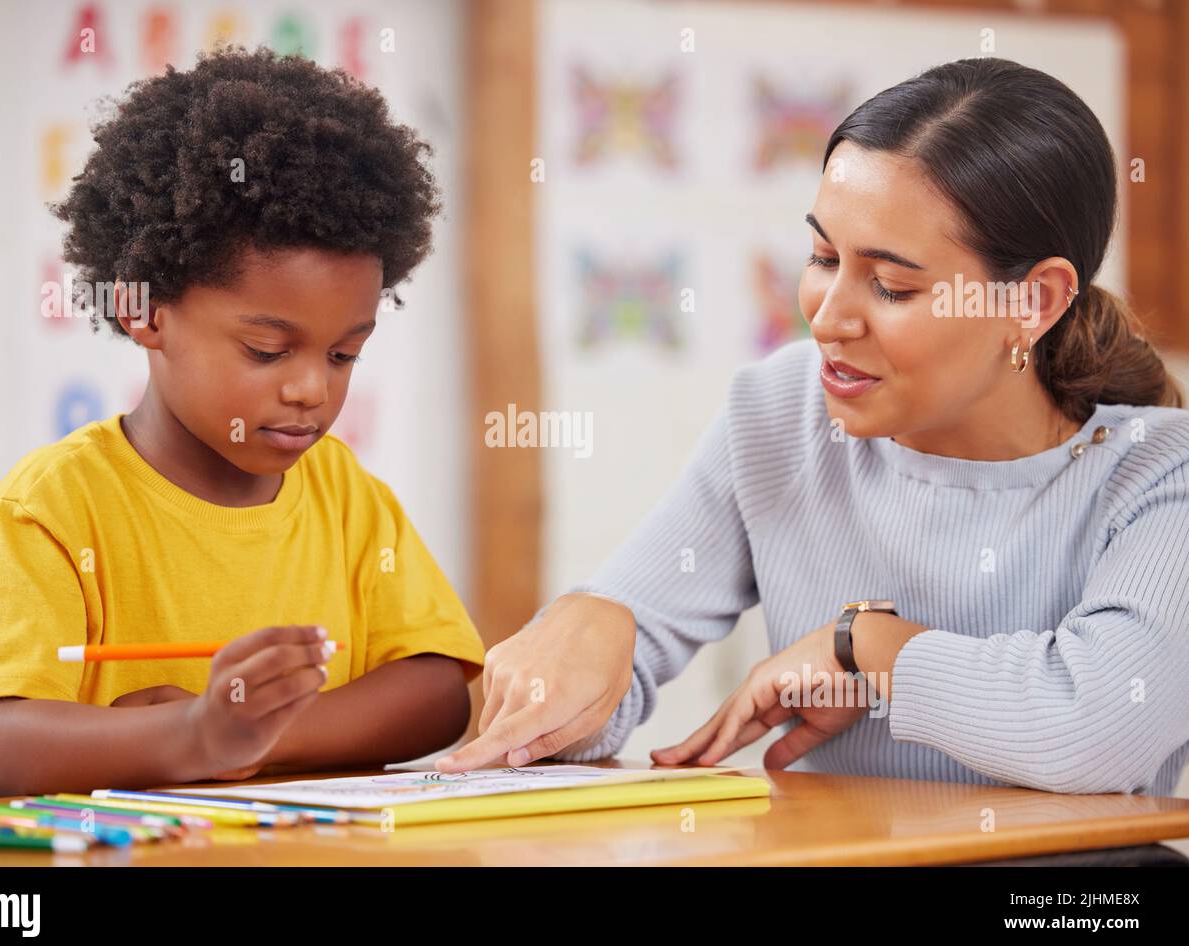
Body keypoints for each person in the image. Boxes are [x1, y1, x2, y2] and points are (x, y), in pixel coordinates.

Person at [441, 57, 1189, 796]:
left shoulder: (1159, 473)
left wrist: (868, 646)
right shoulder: (782, 411)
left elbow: (1094, 727)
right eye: (823, 256)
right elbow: (624, 655)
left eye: (892, 285)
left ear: (1033, 301)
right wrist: (590, 634)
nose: (825, 317)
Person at [0, 48, 485, 795]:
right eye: (267, 349)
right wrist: (194, 734)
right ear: (144, 308)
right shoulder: (51, 509)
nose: (309, 390)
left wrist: (260, 730)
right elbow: (7, 748)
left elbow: (437, 690)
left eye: (342, 354)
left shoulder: (346, 496)